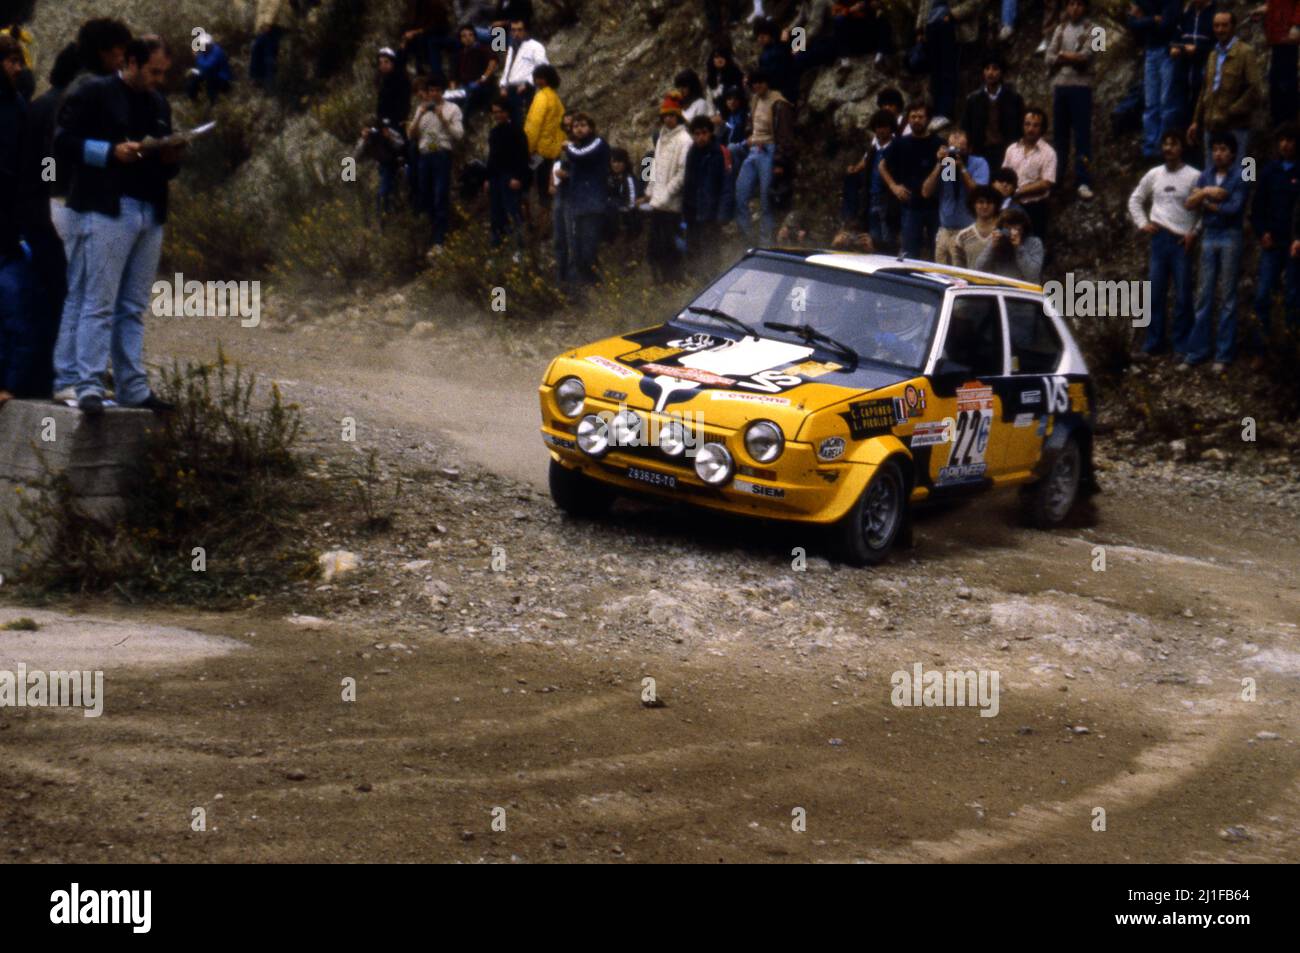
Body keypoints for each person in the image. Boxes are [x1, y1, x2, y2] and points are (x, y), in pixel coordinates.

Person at [54, 35, 183, 414]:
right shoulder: (94, 92)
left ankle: (131, 386)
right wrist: (110, 152)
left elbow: (167, 165)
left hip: (148, 209)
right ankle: (86, 383)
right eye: (153, 71)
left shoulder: (159, 102)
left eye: (163, 72)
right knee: (98, 300)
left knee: (132, 305)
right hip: (107, 206)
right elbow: (63, 142)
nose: (158, 79)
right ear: (131, 61)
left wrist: (169, 156)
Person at [40, 17, 132, 404]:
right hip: (71, 201)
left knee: (80, 290)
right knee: (82, 292)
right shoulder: (87, 89)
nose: (121, 59)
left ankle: (75, 375)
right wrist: (110, 154)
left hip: (68, 199)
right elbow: (66, 145)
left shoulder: (84, 86)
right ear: (103, 52)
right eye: (117, 52)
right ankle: (69, 377)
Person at [1126, 129, 1201, 359]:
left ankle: (1181, 345)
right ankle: (1154, 342)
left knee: (1183, 295)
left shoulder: (1195, 176)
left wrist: (1194, 233)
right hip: (1159, 239)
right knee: (1155, 293)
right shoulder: (1154, 174)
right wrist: (1142, 223)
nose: (1169, 148)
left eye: (1174, 144)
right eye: (1165, 144)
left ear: (1182, 148)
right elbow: (1135, 199)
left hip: (1181, 241)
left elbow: (1204, 210)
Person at [1184, 132, 1248, 371]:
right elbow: (1189, 203)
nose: (1218, 153)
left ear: (1232, 153)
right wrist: (1209, 192)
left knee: (1228, 297)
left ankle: (1223, 354)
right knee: (1204, 295)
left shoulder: (1241, 174)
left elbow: (1234, 207)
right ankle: (1197, 351)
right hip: (1209, 235)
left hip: (1231, 235)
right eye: (1215, 149)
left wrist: (1205, 199)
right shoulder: (1206, 175)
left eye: (1223, 149)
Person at [1188, 10, 1262, 162]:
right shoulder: (1212, 54)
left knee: (1245, 166)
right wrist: (1196, 121)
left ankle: (1249, 185)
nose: (1220, 30)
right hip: (1211, 126)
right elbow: (1205, 90)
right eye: (1216, 26)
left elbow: (1255, 89)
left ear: (1233, 27)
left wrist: (1231, 111)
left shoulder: (1245, 52)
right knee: (1211, 171)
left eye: (1224, 25)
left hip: (1237, 127)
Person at [1251, 122, 1300, 344]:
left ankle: (1292, 346)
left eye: (1290, 140)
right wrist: (1262, 233)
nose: (1285, 145)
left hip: (1294, 245)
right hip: (1271, 243)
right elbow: (1256, 206)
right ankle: (1261, 347)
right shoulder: (1268, 170)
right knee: (1262, 295)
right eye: (1282, 140)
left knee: (1293, 296)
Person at [734, 70, 794, 244]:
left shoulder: (779, 103)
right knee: (740, 195)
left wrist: (780, 162)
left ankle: (765, 243)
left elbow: (785, 136)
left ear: (767, 82)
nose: (757, 86)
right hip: (755, 148)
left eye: (761, 82)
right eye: (755, 83)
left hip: (770, 150)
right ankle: (749, 239)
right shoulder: (754, 100)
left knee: (767, 201)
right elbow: (751, 124)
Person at [879, 100, 942, 259]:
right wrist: (894, 187)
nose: (916, 120)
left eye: (920, 117)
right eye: (912, 116)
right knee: (909, 254)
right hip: (910, 206)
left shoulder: (939, 143)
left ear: (928, 119)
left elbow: (950, 176)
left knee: (939, 253)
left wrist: (942, 163)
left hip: (936, 206)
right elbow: (881, 166)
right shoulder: (900, 142)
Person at [407, 76, 463, 253]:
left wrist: (442, 118)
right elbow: (411, 135)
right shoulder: (421, 109)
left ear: (442, 92)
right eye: (431, 90)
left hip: (441, 154)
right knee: (426, 196)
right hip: (424, 156)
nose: (434, 94)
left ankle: (440, 239)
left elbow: (459, 135)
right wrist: (420, 115)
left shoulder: (452, 108)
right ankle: (432, 236)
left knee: (440, 195)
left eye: (437, 90)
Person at [639, 94, 691, 284]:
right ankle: (658, 281)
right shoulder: (658, 142)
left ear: (678, 116)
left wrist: (667, 192)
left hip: (672, 203)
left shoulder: (685, 140)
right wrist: (649, 192)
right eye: (665, 116)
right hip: (657, 202)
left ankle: (673, 281)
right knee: (654, 246)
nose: (668, 119)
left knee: (670, 245)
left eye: (672, 115)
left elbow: (682, 172)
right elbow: (652, 168)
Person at [1046, 0, 1095, 200]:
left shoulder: (1095, 29)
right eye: (1071, 4)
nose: (1075, 8)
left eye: (1079, 4)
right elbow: (1048, 56)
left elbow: (1090, 55)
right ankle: (1057, 178)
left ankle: (1083, 180)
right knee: (1060, 136)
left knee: (1082, 136)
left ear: (1085, 7)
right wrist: (1069, 57)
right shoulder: (1061, 27)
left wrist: (1063, 56)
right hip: (1061, 86)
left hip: (1082, 87)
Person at [922, 127, 989, 265]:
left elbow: (978, 195)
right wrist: (940, 164)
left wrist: (962, 168)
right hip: (945, 231)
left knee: (963, 276)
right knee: (941, 275)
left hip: (968, 231)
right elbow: (926, 193)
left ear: (969, 149)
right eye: (953, 149)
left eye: (961, 149)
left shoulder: (978, 163)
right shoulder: (948, 167)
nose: (956, 153)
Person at [556, 113, 610, 286]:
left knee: (588, 252)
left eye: (583, 125)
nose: (579, 129)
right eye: (575, 126)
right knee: (578, 253)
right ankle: (582, 293)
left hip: (593, 206)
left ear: (591, 127)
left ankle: (599, 288)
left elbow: (581, 155)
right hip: (578, 205)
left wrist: (568, 147)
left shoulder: (597, 142)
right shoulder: (578, 147)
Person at [1129, 0, 1183, 159]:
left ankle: (1165, 146)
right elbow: (1131, 23)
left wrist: (1143, 20)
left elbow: (1167, 25)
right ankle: (1150, 147)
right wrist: (1152, 20)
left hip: (1167, 50)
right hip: (1150, 51)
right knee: (1150, 102)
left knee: (1167, 102)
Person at [960, 55, 1026, 171]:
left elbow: (1020, 127)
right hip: (980, 151)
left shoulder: (1014, 99)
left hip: (1006, 151)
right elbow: (966, 127)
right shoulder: (973, 100)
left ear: (1001, 72)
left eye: (995, 69)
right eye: (987, 69)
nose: (990, 73)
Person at [1001, 107, 1056, 241]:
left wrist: (1018, 191)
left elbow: (1047, 182)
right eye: (1027, 124)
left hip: (1034, 207)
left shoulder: (1049, 153)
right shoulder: (1012, 149)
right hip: (1011, 206)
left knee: (1032, 245)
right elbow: (1003, 175)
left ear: (1042, 129)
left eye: (1036, 125)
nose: (1031, 129)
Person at [683, 115, 728, 276]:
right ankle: (695, 279)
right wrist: (686, 208)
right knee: (693, 246)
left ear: (710, 133)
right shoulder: (692, 153)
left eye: (704, 133)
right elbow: (688, 182)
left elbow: (726, 185)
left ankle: (711, 278)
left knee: (711, 248)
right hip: (693, 208)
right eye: (696, 134)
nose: (700, 137)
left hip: (711, 210)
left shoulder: (719, 153)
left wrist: (722, 213)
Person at [485, 97, 529, 252]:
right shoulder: (494, 132)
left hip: (510, 177)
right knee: (496, 214)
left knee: (513, 213)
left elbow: (523, 157)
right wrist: (488, 178)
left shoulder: (516, 131)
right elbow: (492, 157)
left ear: (507, 112)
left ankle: (518, 250)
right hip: (496, 178)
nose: (497, 115)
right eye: (494, 112)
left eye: (500, 112)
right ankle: (497, 249)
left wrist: (518, 177)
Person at [523, 63, 564, 217]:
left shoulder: (541, 97)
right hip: (554, 150)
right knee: (548, 187)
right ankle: (548, 218)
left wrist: (527, 148)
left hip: (539, 150)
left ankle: (539, 221)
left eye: (537, 77)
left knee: (534, 187)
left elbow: (534, 125)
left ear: (542, 79)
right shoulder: (556, 98)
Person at [1172, 0, 1216, 133]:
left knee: (1200, 115)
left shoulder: (1215, 15)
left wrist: (1198, 50)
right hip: (1183, 74)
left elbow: (1218, 46)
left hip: (1204, 74)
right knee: (1180, 114)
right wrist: (1174, 47)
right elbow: (1175, 37)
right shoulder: (1187, 14)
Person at [1257, 0, 1300, 126]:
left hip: (1288, 38)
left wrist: (1297, 25)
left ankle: (1288, 125)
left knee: (1286, 84)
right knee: (1275, 82)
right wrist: (1266, 9)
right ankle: (1279, 124)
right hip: (1277, 39)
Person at [973, 208, 1044, 282]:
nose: (1011, 232)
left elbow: (1032, 274)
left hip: (1024, 290)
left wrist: (1018, 247)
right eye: (1007, 228)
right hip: (1001, 288)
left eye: (1016, 227)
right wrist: (991, 247)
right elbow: (978, 269)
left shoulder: (1034, 243)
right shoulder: (996, 241)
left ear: (1023, 227)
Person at [499, 17, 546, 127]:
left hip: (525, 89)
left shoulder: (535, 46)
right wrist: (502, 85)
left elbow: (542, 67)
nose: (516, 33)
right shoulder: (512, 47)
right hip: (510, 89)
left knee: (523, 121)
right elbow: (507, 68)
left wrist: (528, 82)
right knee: (511, 122)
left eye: (520, 30)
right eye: (513, 30)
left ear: (526, 30)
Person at [447, 23, 496, 118]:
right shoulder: (458, 54)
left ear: (475, 36)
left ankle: (463, 122)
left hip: (479, 85)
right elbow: (452, 75)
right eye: (464, 36)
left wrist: (484, 77)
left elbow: (493, 61)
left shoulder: (482, 48)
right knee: (447, 98)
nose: (468, 38)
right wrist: (453, 90)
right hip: (463, 85)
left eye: (470, 35)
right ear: (460, 39)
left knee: (470, 94)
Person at [953, 185, 1000, 268]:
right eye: (981, 202)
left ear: (996, 205)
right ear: (973, 205)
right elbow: (958, 268)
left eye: (989, 202)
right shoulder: (962, 236)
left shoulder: (1002, 234)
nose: (985, 206)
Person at [250, 0, 293, 91]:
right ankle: (261, 81)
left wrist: (268, 22)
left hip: (273, 26)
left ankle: (268, 84)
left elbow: (275, 4)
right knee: (261, 52)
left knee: (267, 55)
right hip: (266, 26)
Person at [186, 30, 232, 104]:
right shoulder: (204, 50)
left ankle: (213, 103)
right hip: (208, 74)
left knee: (210, 80)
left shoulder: (217, 51)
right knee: (192, 79)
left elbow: (209, 66)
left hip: (221, 78)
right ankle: (193, 100)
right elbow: (201, 65)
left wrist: (197, 57)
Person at [705, 45, 743, 113]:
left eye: (722, 57)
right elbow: (709, 101)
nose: (719, 59)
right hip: (716, 114)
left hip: (732, 112)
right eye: (716, 57)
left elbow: (737, 97)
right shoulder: (711, 77)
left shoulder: (735, 73)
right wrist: (712, 116)